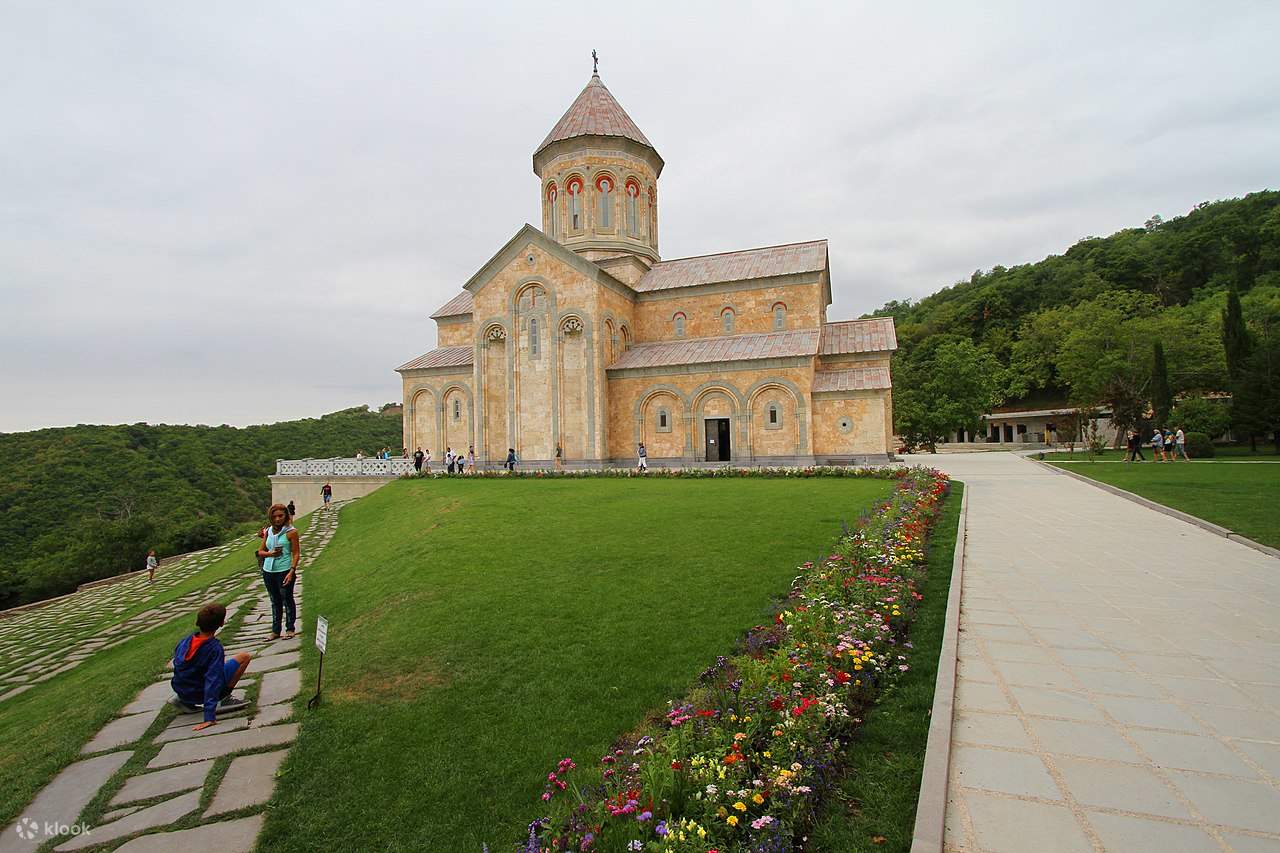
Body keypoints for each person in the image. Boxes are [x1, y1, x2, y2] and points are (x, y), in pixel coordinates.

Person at [170, 602, 251, 730]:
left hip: (182, 690)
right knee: (244, 657)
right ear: (221, 624)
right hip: (200, 693)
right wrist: (209, 717)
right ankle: (224, 698)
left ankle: (184, 700)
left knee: (209, 667)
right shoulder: (214, 648)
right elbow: (212, 680)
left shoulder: (186, 640)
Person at [257, 503, 301, 640]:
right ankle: (275, 631)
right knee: (274, 600)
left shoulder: (291, 532)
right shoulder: (269, 531)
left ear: (286, 516)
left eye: (280, 516)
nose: (277, 519)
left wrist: (292, 570)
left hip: (284, 569)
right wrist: (271, 554)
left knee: (287, 599)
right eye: (274, 516)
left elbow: (296, 553)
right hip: (269, 570)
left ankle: (290, 628)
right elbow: (260, 551)